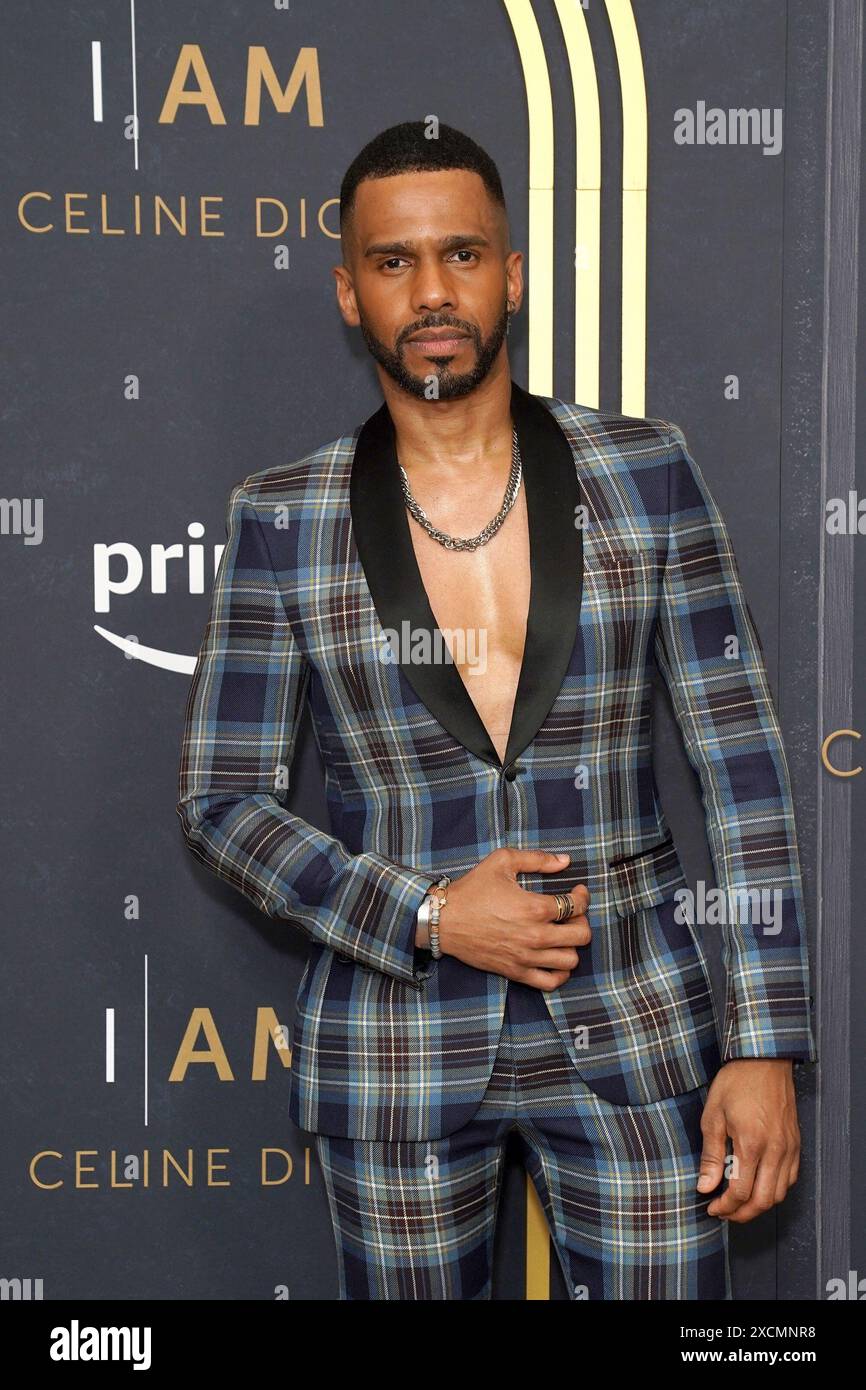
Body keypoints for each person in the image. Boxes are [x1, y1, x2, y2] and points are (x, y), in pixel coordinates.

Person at [176, 121, 817, 1300]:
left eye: (462, 254)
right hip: (393, 1049)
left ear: (510, 274)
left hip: (635, 1026)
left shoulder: (644, 473)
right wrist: (425, 912)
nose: (431, 291)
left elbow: (741, 768)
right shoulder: (284, 515)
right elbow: (222, 805)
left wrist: (764, 1036)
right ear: (347, 291)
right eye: (392, 261)